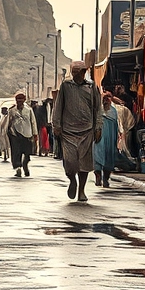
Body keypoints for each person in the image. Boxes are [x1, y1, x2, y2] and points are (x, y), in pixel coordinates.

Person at [53, 61, 102, 202]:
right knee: (70, 162)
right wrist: (56, 125)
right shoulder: (66, 86)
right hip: (68, 131)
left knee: (84, 164)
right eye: (72, 72)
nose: (74, 74)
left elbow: (97, 109)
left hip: (87, 131)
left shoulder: (91, 86)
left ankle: (81, 190)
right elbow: (58, 106)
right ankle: (72, 180)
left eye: (77, 72)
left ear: (84, 72)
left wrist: (98, 127)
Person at [93, 90, 122, 188]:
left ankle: (105, 178)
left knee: (108, 158)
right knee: (97, 157)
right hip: (99, 137)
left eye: (108, 98)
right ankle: (99, 177)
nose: (106, 100)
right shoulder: (97, 110)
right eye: (105, 98)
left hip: (110, 139)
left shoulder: (113, 111)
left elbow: (116, 126)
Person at [6, 91, 38, 178]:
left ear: (24, 100)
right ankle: (18, 168)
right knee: (16, 152)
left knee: (27, 153)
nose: (19, 101)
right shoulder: (12, 110)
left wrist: (35, 134)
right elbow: (8, 123)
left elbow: (33, 122)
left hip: (27, 134)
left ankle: (25, 165)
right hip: (15, 134)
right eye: (18, 100)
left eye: (21, 99)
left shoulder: (29, 110)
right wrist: (8, 133)